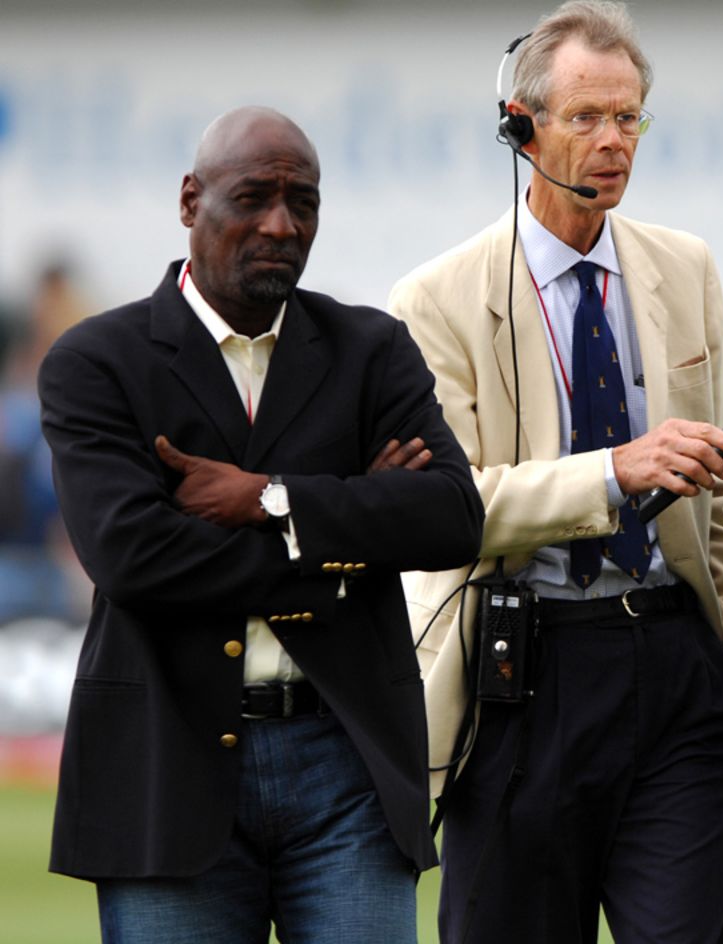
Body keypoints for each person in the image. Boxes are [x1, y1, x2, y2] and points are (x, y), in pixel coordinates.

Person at [37, 106, 484, 944]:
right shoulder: (98, 363)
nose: (282, 224)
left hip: (348, 758)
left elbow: (452, 518)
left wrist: (270, 499)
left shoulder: (370, 350)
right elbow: (134, 560)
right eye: (254, 198)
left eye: (303, 202)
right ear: (189, 201)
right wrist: (343, 550)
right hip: (166, 770)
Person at [387, 3, 723, 941]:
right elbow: (444, 507)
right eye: (587, 117)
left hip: (683, 672)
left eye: (629, 118)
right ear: (521, 126)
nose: (613, 142)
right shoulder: (434, 299)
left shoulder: (688, 267)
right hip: (522, 678)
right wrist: (612, 474)